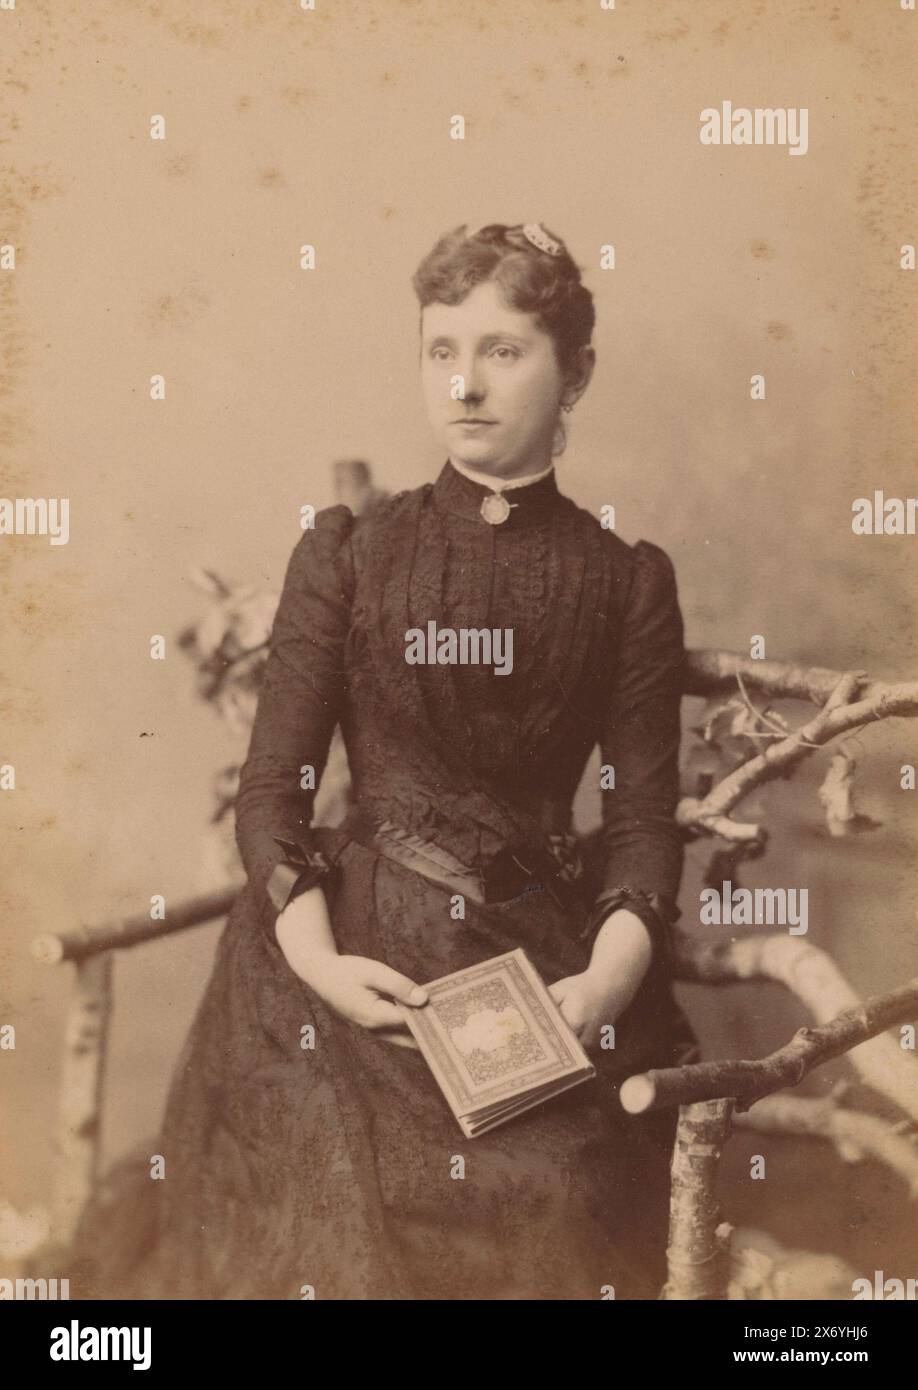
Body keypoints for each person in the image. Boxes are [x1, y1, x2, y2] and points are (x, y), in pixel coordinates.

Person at [71, 221, 699, 1301]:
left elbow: (642, 816)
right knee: (325, 1207)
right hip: (339, 970)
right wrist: (319, 962)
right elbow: (277, 788)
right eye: (439, 348)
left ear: (575, 371)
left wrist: (606, 979)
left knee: (556, 1207)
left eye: (503, 350)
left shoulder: (626, 580)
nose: (464, 383)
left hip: (538, 966)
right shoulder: (351, 553)